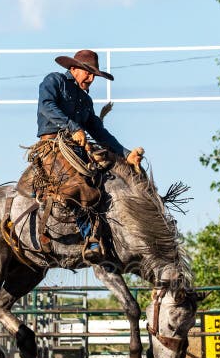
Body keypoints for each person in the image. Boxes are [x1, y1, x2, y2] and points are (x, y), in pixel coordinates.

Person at [35, 49, 143, 263]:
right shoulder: (54, 80)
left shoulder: (86, 101)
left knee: (110, 180)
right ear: (73, 69)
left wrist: (126, 154)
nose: (92, 78)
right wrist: (73, 127)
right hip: (53, 146)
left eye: (94, 75)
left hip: (77, 149)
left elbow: (99, 132)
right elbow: (47, 106)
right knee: (79, 184)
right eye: (88, 73)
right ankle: (91, 238)